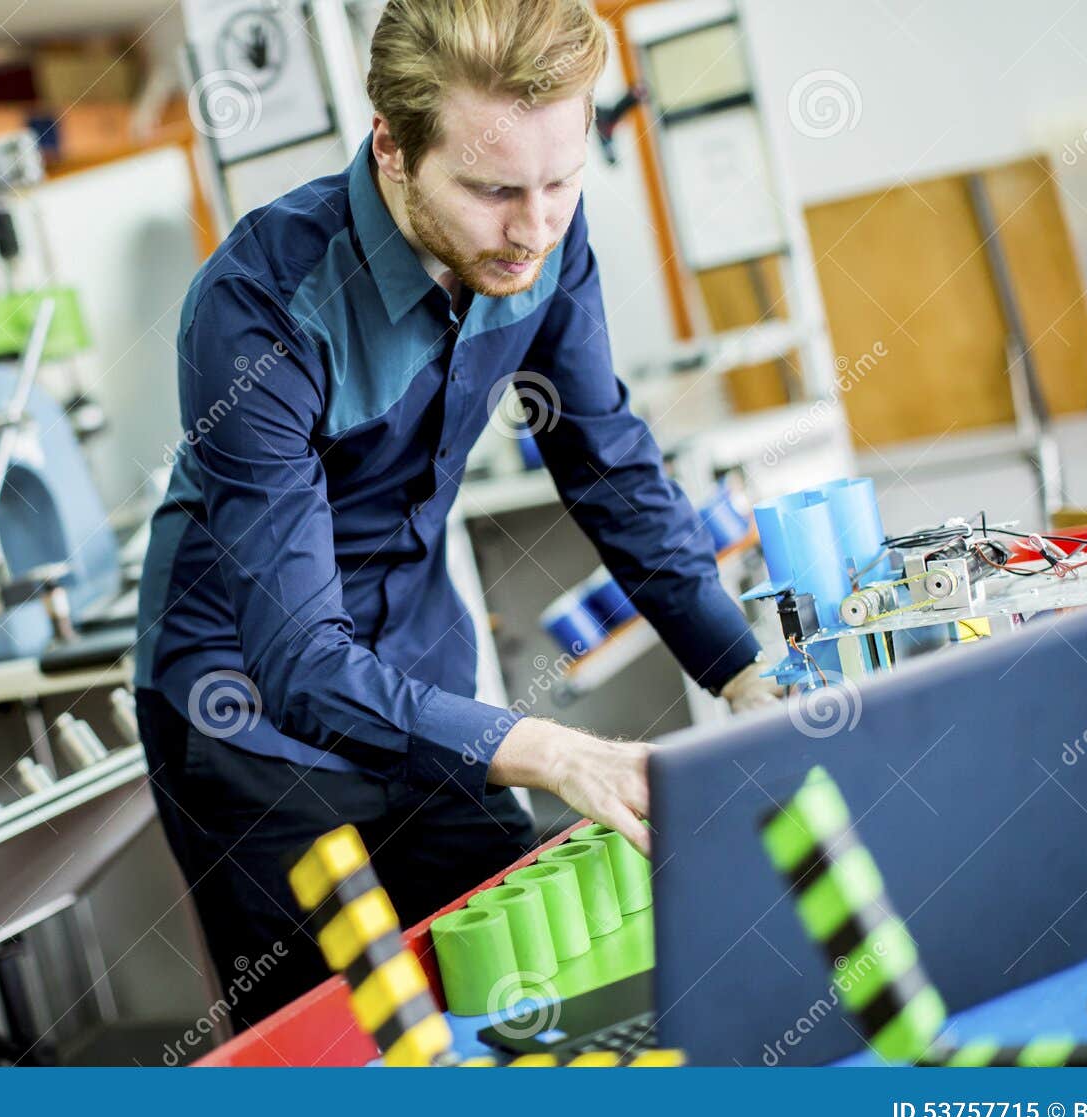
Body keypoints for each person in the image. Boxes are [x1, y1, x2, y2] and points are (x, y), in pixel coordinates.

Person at [135, 0, 776, 1029]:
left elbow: (604, 460)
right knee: (347, 1047)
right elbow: (299, 662)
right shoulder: (259, 304)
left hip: (418, 673)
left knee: (525, 998)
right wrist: (555, 748)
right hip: (246, 714)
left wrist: (746, 674)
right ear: (391, 145)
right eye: (491, 190)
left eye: (561, 180)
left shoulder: (545, 237)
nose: (533, 226)